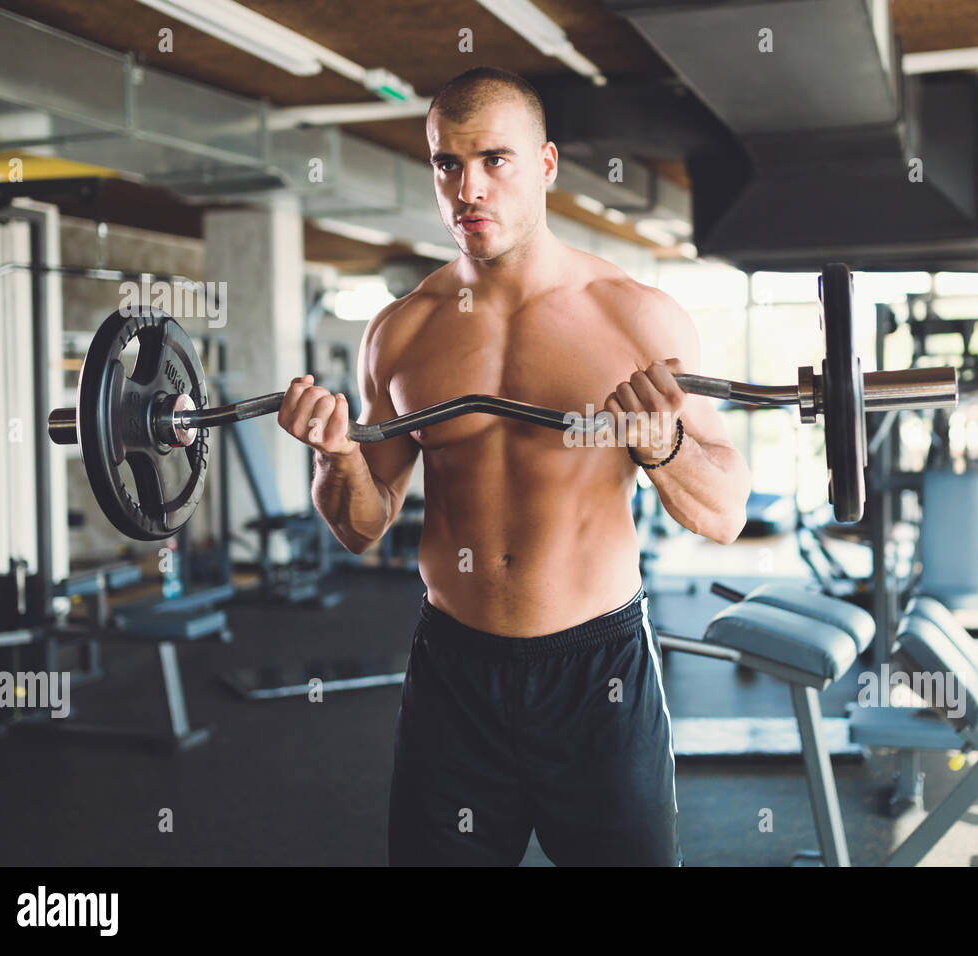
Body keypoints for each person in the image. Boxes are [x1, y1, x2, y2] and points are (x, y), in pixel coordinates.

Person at [277, 66, 750, 866]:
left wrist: (662, 446)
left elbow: (726, 511)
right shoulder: (401, 332)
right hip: (454, 675)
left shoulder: (636, 315)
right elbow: (361, 523)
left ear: (547, 165)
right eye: (446, 163)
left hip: (597, 675)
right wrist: (336, 461)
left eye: (494, 159)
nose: (469, 187)